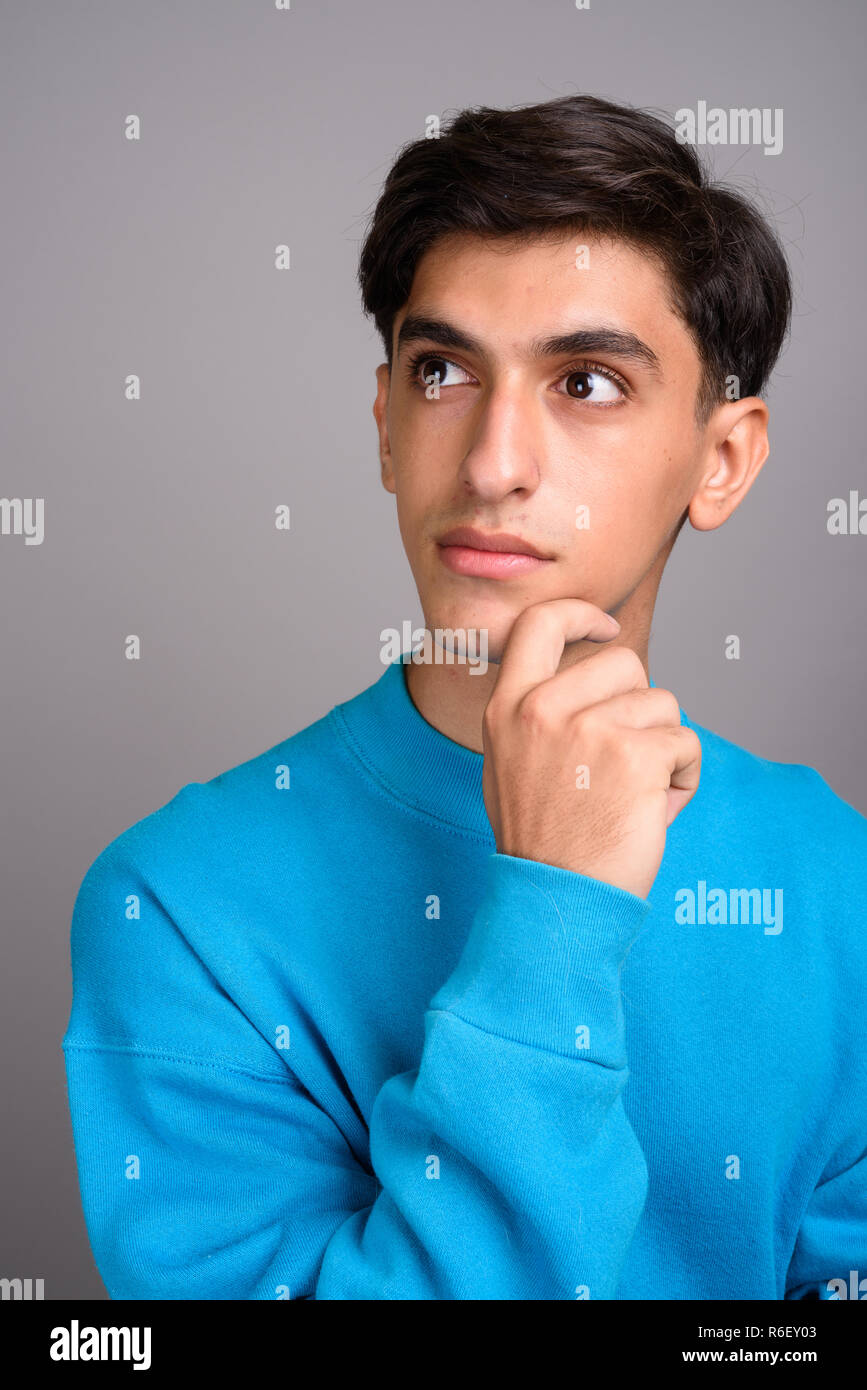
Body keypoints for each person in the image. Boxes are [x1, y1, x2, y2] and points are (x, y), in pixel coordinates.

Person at [62, 94, 867, 1300]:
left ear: (723, 460)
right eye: (442, 371)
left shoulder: (835, 877)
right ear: (385, 424)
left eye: (587, 382)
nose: (492, 463)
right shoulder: (174, 907)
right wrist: (559, 914)